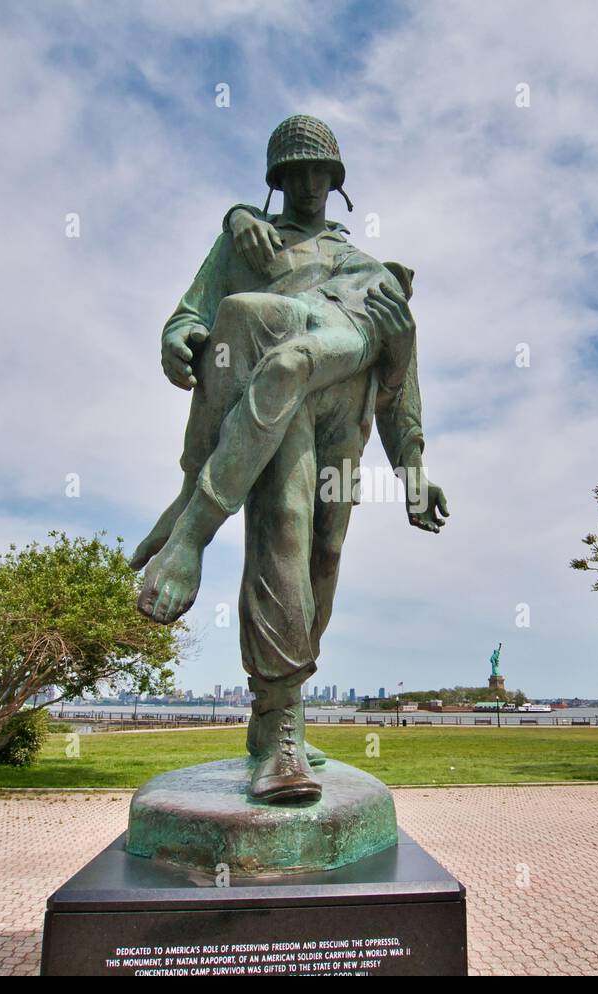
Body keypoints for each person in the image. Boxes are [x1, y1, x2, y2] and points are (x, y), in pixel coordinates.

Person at [131, 116, 448, 802]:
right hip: (274, 414)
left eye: (321, 173)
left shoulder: (367, 270)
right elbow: (191, 316)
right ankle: (279, 726)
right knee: (283, 528)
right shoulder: (246, 243)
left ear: (337, 184)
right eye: (296, 173)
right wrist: (180, 342)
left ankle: (283, 705)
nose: (309, 185)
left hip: (348, 420)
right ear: (276, 182)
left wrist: (413, 467)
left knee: (323, 556)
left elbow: (404, 372)